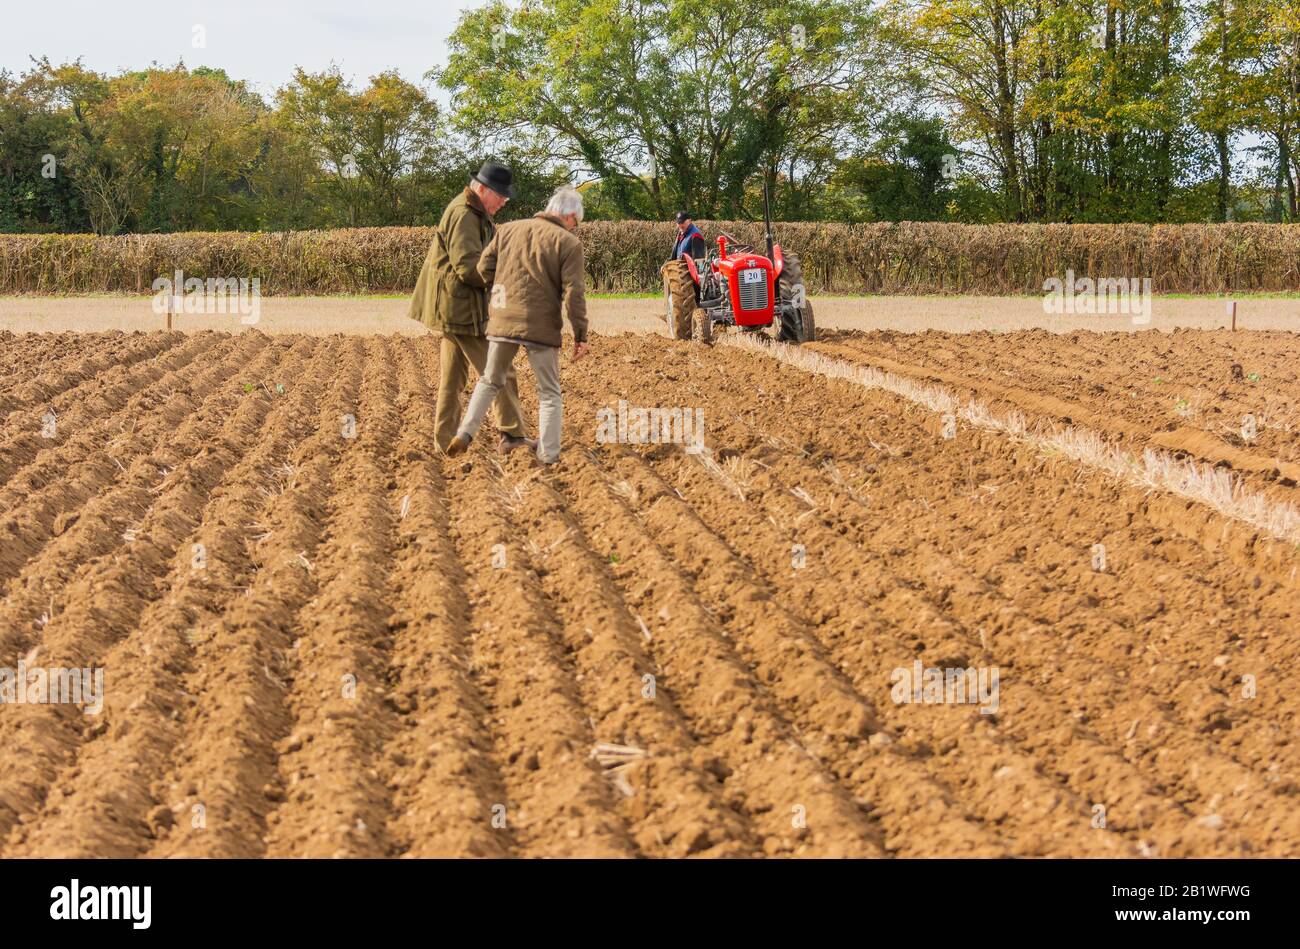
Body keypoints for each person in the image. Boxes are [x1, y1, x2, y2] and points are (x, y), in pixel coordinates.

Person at [447, 186, 590, 464]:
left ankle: (465, 432)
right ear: (570, 216)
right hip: (541, 326)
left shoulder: (509, 229)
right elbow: (575, 293)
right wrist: (580, 335)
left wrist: (502, 291)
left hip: (502, 320)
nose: (575, 228)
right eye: (577, 223)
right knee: (549, 393)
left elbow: (483, 268)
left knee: (489, 380)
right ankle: (549, 456)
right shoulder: (568, 243)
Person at [407, 161, 534, 453]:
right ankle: (512, 437)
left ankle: (444, 442)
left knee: (452, 379)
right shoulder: (464, 214)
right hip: (461, 309)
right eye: (500, 195)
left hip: (454, 307)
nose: (504, 201)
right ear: (482, 189)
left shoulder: (475, 212)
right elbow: (468, 268)